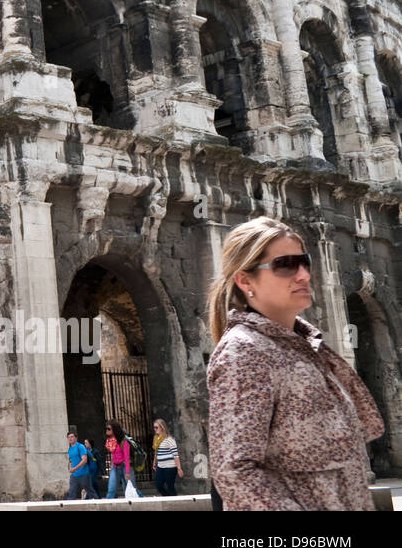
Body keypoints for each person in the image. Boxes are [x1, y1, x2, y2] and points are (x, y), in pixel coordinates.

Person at [206, 216, 384, 510]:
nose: (303, 275)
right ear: (245, 280)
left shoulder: (304, 346)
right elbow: (235, 472)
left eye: (305, 262)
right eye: (285, 265)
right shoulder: (246, 352)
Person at [103, 420, 137, 498]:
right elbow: (113, 455)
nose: (107, 430)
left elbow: (127, 457)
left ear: (114, 429)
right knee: (111, 490)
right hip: (115, 467)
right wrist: (112, 465)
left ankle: (143, 501)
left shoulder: (124, 442)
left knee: (132, 490)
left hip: (125, 467)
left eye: (109, 429)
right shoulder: (111, 442)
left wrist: (127, 472)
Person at [152, 419, 183, 496]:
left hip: (170, 467)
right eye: (154, 427)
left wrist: (179, 468)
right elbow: (156, 452)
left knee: (170, 486)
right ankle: (168, 497)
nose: (154, 429)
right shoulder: (156, 439)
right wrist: (154, 462)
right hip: (160, 466)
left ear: (162, 428)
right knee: (158, 484)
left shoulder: (170, 439)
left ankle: (174, 501)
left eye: (156, 427)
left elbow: (175, 455)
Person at [65, 431, 97, 499]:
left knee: (90, 492)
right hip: (74, 475)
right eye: (68, 437)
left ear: (76, 438)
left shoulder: (80, 447)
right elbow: (72, 460)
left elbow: (84, 460)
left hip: (84, 474)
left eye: (72, 437)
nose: (70, 439)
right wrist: (71, 469)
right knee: (71, 494)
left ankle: (99, 505)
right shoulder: (70, 449)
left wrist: (75, 468)